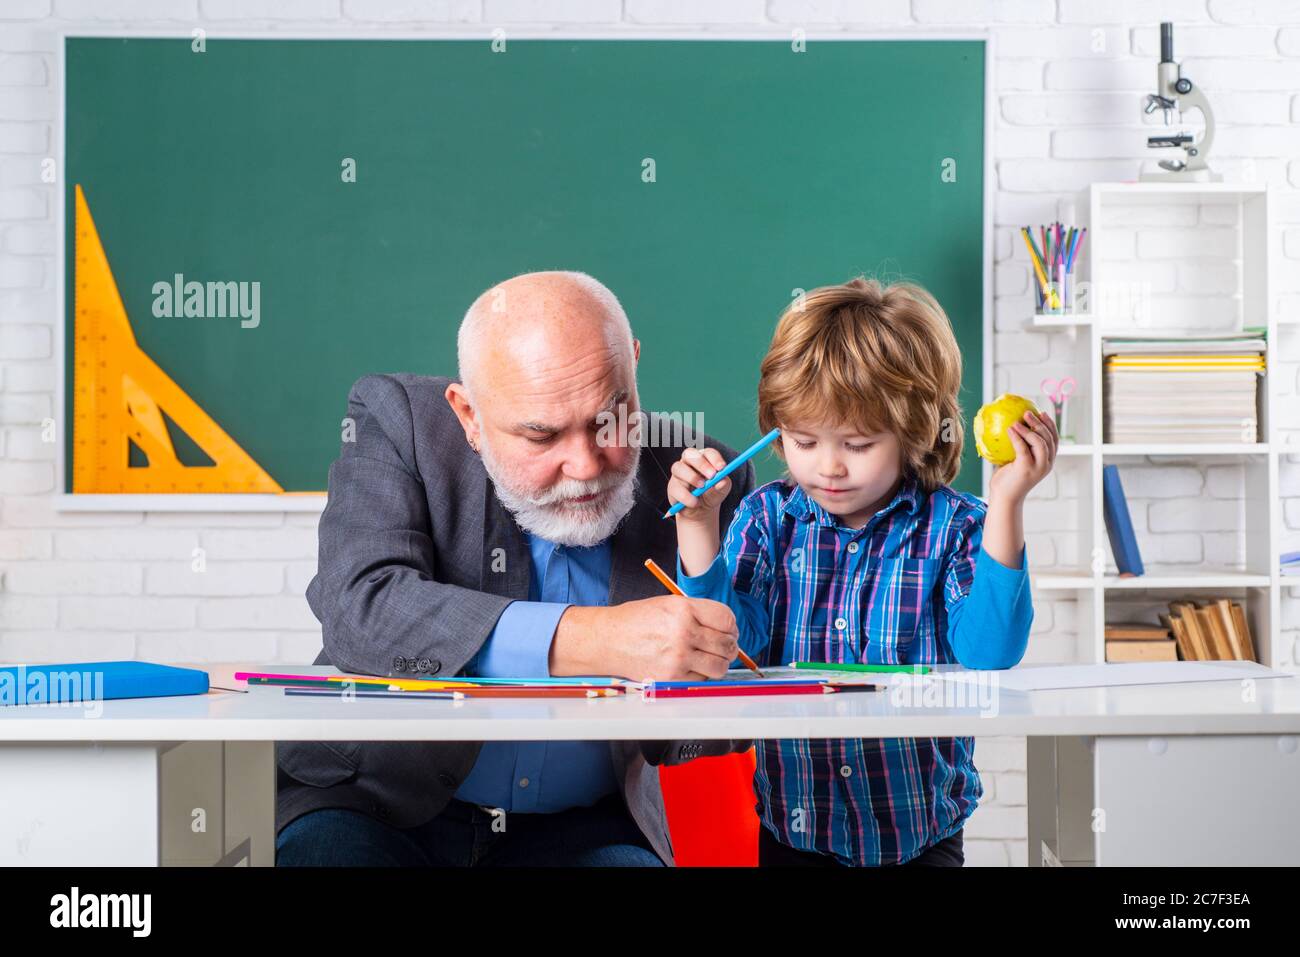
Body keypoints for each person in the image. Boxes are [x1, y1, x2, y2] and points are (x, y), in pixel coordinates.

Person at [276, 271, 750, 866]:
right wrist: (591, 638)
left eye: (610, 418)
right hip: (374, 802)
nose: (583, 465)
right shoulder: (401, 422)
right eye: (540, 434)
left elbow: (708, 731)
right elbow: (361, 607)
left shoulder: (708, 480)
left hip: (585, 828)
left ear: (632, 365)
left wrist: (704, 675)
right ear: (469, 415)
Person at [668, 277, 1057, 867]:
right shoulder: (766, 516)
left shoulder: (955, 525)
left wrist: (1007, 504)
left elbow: (988, 653)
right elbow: (728, 645)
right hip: (796, 834)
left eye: (858, 443)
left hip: (920, 837)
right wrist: (698, 526)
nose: (828, 467)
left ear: (914, 432)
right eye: (803, 440)